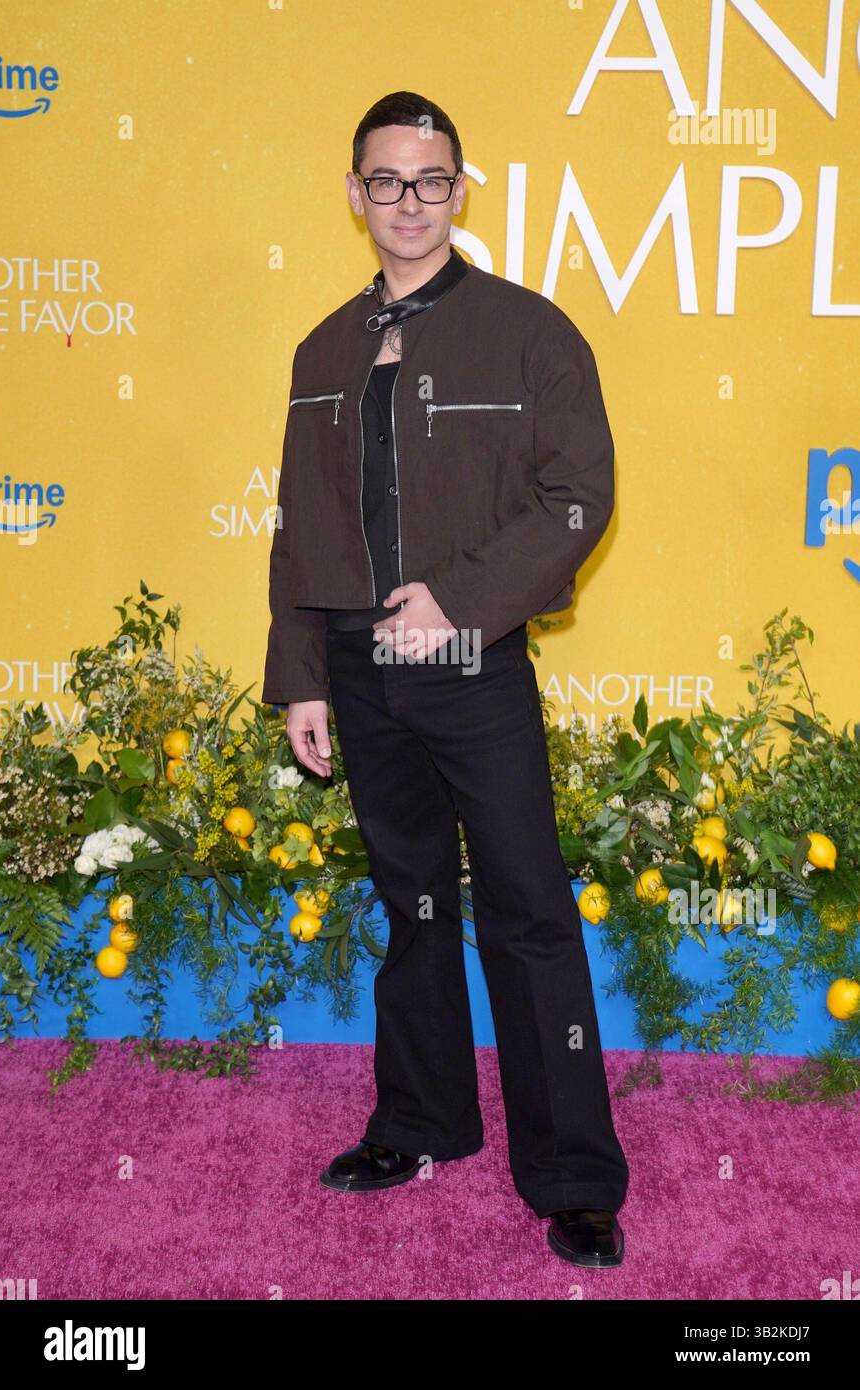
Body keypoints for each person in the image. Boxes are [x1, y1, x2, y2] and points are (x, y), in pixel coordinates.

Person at [261, 90, 629, 1267]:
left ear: (461, 190)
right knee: (411, 908)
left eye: (429, 181)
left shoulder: (531, 332)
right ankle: (419, 1121)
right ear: (354, 193)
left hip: (474, 669)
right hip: (361, 681)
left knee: (524, 910)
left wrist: (460, 599)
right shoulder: (320, 347)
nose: (407, 202)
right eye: (385, 181)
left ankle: (571, 1174)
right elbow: (299, 530)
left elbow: (578, 497)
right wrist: (303, 675)